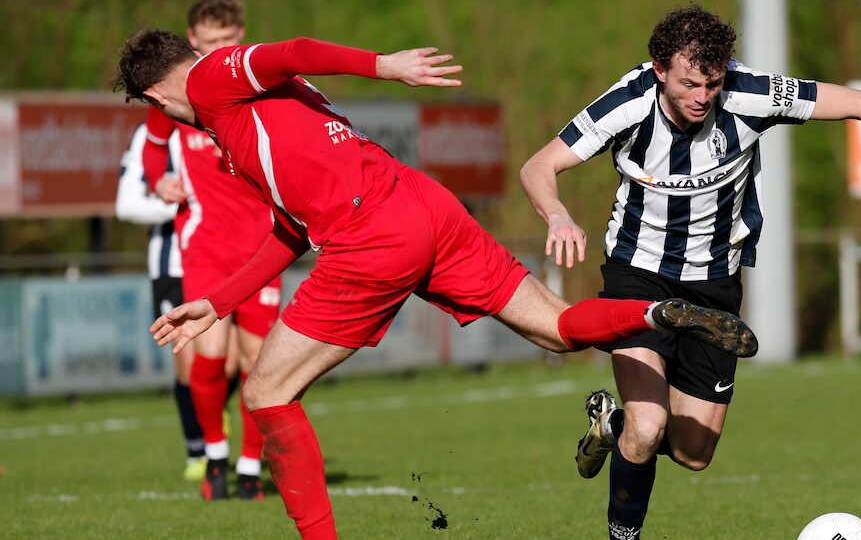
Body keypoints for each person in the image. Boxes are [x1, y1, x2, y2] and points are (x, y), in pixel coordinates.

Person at [115, 27, 758, 539]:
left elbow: (293, 51)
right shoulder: (245, 127)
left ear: (154, 99)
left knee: (264, 394)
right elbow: (290, 228)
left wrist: (383, 66)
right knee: (560, 330)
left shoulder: (207, 77)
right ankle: (655, 313)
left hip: (371, 235)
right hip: (422, 205)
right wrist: (217, 301)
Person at [519, 4, 861, 539]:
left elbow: (860, 102)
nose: (702, 97)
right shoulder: (626, 105)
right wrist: (557, 214)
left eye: (711, 84)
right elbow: (540, 165)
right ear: (658, 69)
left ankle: (614, 427)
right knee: (650, 429)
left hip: (715, 286)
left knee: (693, 455)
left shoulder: (749, 92)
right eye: (690, 83)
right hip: (639, 274)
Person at [140, 0, 280, 500]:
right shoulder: (178, 98)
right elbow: (152, 150)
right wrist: (159, 183)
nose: (220, 47)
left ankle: (248, 467)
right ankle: (213, 458)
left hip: (264, 244)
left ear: (241, 36)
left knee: (257, 361)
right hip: (204, 248)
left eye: (228, 39)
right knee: (210, 352)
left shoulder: (256, 89)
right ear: (193, 39)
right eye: (210, 40)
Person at [115, 121, 210, 480]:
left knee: (228, 361)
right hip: (173, 266)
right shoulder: (151, 134)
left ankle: (215, 416)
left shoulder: (223, 119)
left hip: (223, 257)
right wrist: (182, 205)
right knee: (187, 362)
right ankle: (199, 450)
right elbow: (126, 205)